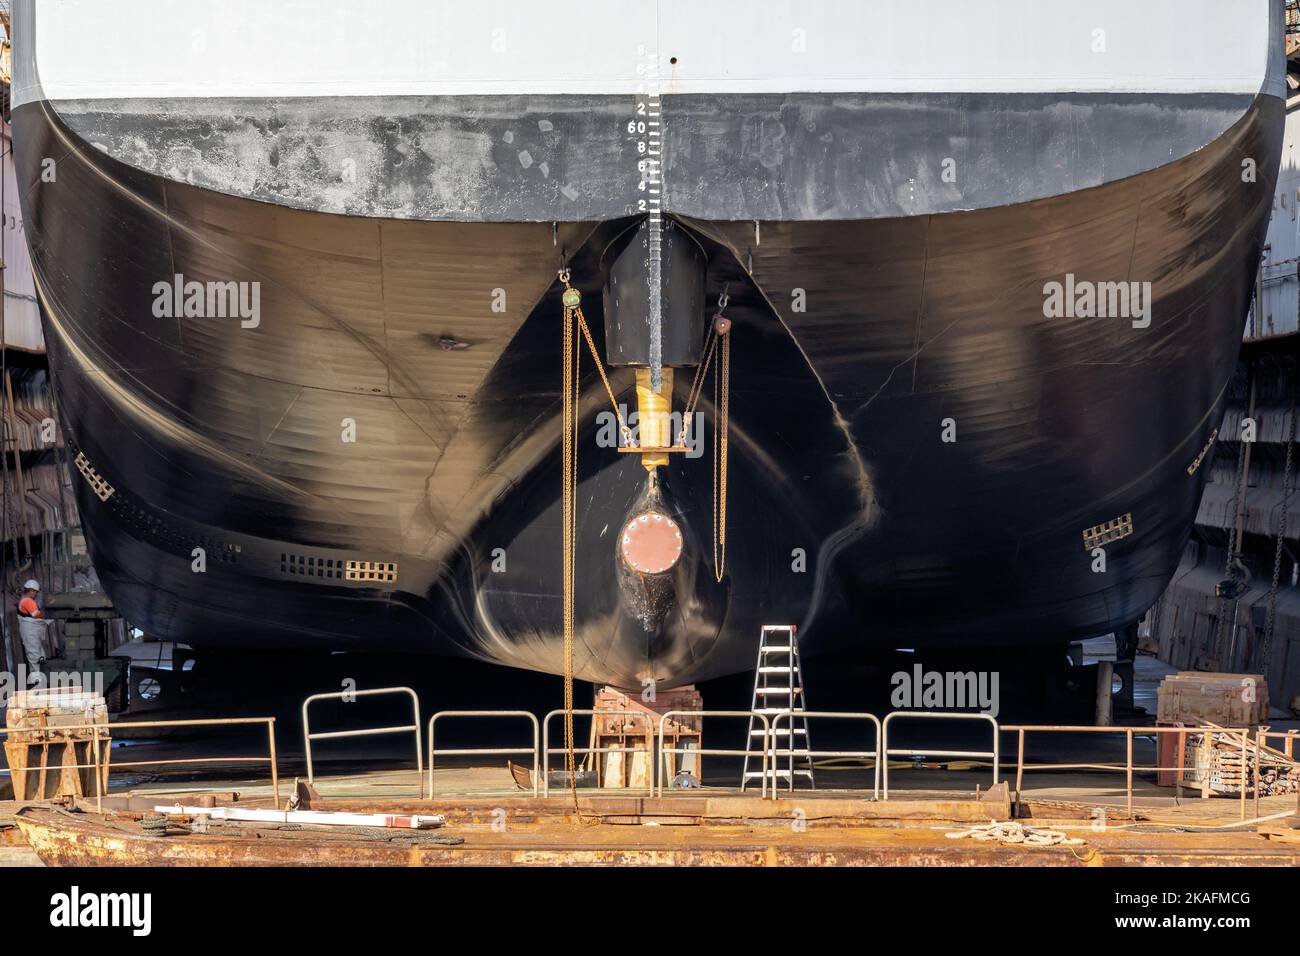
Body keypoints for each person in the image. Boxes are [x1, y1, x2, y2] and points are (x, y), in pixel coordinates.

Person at [17, 578, 48, 676]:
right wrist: (48, 613)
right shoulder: (27, 601)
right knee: (34, 655)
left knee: (37, 653)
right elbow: (35, 614)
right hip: (30, 631)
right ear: (30, 591)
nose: (36, 594)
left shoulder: (24, 600)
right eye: (35, 592)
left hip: (30, 631)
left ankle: (39, 676)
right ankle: (36, 679)